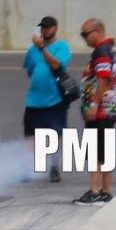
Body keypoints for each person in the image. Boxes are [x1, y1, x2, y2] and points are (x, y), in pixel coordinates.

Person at [73, 18, 116, 206]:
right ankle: (106, 191)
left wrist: (93, 105)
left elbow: (102, 79)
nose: (84, 38)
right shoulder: (111, 48)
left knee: (95, 151)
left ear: (97, 31)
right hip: (108, 109)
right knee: (105, 150)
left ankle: (95, 192)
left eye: (85, 34)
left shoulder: (102, 50)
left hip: (101, 110)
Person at [22, 16, 70, 182]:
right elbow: (29, 70)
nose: (45, 30)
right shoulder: (32, 50)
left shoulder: (62, 47)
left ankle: (54, 167)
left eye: (48, 27)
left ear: (55, 28)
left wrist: (43, 49)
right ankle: (29, 168)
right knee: (30, 136)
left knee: (55, 136)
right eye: (43, 27)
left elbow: (57, 65)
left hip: (55, 100)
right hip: (34, 100)